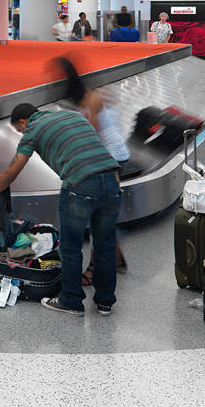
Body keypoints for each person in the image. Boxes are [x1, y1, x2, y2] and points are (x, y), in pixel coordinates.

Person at [0, 102, 121, 317]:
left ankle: (71, 301)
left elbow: (12, 171)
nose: (21, 133)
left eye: (19, 130)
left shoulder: (32, 130)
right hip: (112, 179)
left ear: (23, 121)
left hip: (80, 185)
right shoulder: (72, 116)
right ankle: (105, 303)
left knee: (70, 247)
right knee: (105, 244)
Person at [55, 57, 130, 283]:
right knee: (102, 214)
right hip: (111, 155)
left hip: (110, 157)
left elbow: (94, 135)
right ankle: (116, 259)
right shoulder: (90, 96)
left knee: (98, 214)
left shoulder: (90, 100)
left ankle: (93, 269)